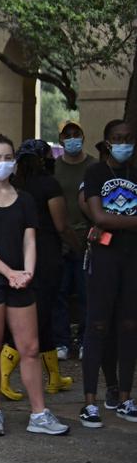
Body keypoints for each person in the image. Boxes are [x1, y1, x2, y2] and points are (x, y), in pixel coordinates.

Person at [0, 134, 69, 436]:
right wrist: (8, 271)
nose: (3, 163)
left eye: (8, 157)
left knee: (30, 348)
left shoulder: (25, 199)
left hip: (21, 282)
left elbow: (29, 239)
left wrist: (27, 272)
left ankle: (39, 413)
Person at [78, 119, 137, 427]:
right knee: (97, 325)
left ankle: (126, 397)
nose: (123, 142)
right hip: (104, 257)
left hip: (132, 259)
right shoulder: (96, 173)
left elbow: (106, 218)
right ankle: (89, 401)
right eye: (117, 138)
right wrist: (117, 221)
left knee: (129, 325)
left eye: (128, 138)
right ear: (107, 142)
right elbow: (98, 215)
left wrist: (112, 220)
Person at [11, 139, 76, 397]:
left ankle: (54, 377)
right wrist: (77, 245)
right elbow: (61, 224)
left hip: (19, 257)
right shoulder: (49, 184)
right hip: (47, 257)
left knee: (42, 316)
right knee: (40, 317)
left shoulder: (16, 186)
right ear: (43, 159)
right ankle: (5, 377)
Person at [53, 121, 98, 359]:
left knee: (86, 293)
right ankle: (61, 342)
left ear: (83, 136)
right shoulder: (54, 167)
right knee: (58, 293)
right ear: (60, 139)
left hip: (87, 241)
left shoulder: (93, 166)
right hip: (60, 240)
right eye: (67, 135)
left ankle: (84, 341)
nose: (72, 138)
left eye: (76, 134)